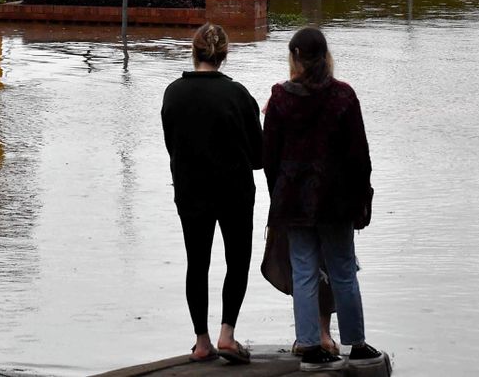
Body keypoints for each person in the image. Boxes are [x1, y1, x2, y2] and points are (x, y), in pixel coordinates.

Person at [263, 26, 384, 372]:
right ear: (326, 56)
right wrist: (363, 198)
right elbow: (360, 156)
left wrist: (278, 195)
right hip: (337, 202)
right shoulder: (343, 96)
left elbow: (269, 155)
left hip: (294, 202)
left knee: (303, 271)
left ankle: (311, 347)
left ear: (295, 58)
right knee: (343, 270)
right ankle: (357, 345)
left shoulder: (281, 99)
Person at [161, 23, 262, 365]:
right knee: (237, 261)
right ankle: (227, 334)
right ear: (224, 55)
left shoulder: (173, 93)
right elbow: (259, 156)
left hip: (191, 190)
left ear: (194, 51)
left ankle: (202, 341)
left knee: (197, 264)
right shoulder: (238, 95)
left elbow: (170, 144)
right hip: (234, 190)